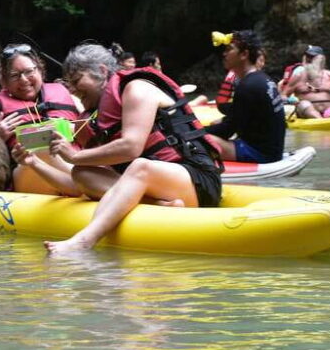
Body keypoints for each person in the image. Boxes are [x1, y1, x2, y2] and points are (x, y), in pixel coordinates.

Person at [38, 42, 222, 255]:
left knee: (140, 166)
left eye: (77, 80)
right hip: (162, 187)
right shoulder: (99, 112)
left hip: (197, 179)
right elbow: (96, 159)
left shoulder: (137, 88)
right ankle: (160, 205)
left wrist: (75, 156)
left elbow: (131, 147)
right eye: (69, 84)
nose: (72, 89)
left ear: (102, 71)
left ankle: (84, 240)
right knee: (83, 173)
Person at [0, 43, 81, 194]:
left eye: (29, 71)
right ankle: (85, 186)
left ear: (40, 71)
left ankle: (83, 185)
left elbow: (94, 131)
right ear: (4, 81)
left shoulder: (71, 96)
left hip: (73, 163)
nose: (24, 80)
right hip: (28, 171)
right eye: (15, 75)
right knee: (42, 148)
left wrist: (75, 129)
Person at [204, 31, 285, 163]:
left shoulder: (248, 86)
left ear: (244, 54)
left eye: (229, 49)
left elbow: (227, 131)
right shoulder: (262, 78)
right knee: (214, 126)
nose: (224, 54)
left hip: (261, 155)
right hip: (272, 150)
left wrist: (195, 132)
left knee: (198, 140)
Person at [281, 45, 330, 119]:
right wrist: (289, 100)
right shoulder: (298, 76)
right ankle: (322, 121)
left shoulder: (329, 75)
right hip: (305, 112)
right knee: (304, 104)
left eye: (313, 57)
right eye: (307, 56)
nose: (309, 59)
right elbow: (283, 96)